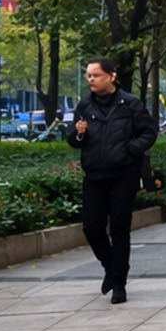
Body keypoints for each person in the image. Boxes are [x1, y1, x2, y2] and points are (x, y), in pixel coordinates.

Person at [65, 58, 159, 303]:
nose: (91, 79)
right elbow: (72, 139)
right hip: (94, 175)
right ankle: (110, 266)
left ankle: (119, 283)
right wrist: (78, 133)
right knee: (92, 227)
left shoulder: (130, 103)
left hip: (123, 174)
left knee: (119, 228)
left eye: (96, 75)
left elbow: (149, 132)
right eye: (88, 75)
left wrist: (130, 149)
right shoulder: (85, 105)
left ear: (111, 76)